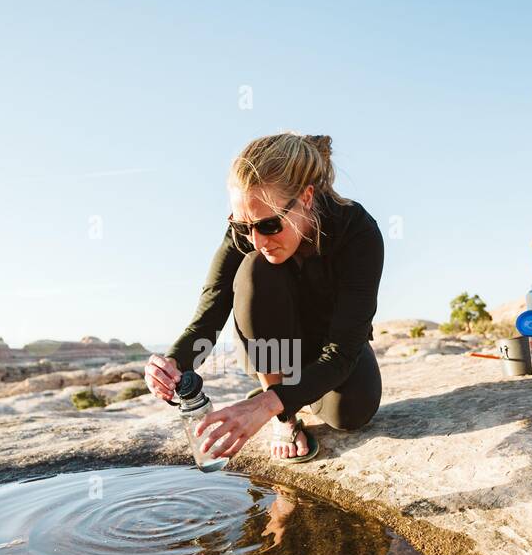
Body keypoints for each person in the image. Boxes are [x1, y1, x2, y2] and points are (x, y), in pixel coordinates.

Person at [145, 131, 384, 463]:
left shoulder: (358, 232)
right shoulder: (247, 232)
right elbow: (209, 314)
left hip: (331, 346)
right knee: (254, 268)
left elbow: (343, 352)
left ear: (307, 197)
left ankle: (285, 394)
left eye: (269, 225)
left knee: (352, 415)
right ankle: (284, 414)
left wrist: (261, 404)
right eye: (243, 226)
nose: (255, 239)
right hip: (271, 347)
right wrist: (172, 365)